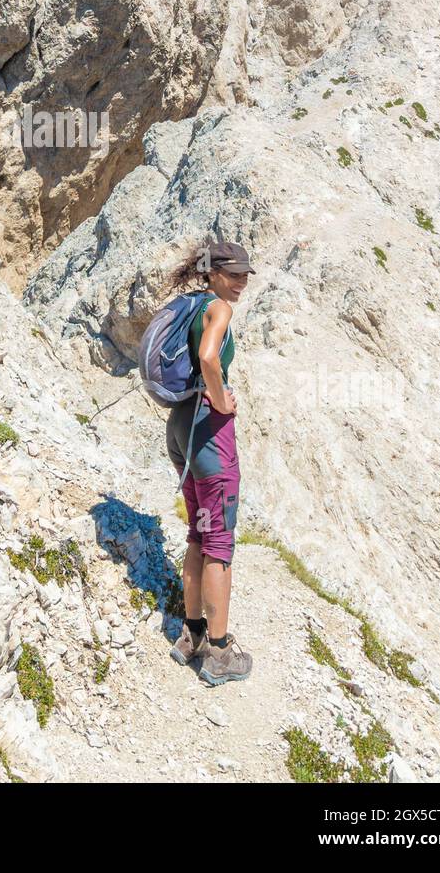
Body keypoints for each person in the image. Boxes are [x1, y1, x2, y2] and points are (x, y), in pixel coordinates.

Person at [164, 239, 254, 685]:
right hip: (208, 435)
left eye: (244, 275)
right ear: (213, 272)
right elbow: (207, 357)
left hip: (180, 426)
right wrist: (222, 402)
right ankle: (218, 652)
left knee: (199, 531)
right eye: (233, 274)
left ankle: (192, 635)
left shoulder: (189, 304)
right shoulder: (218, 309)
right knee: (219, 541)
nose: (240, 283)